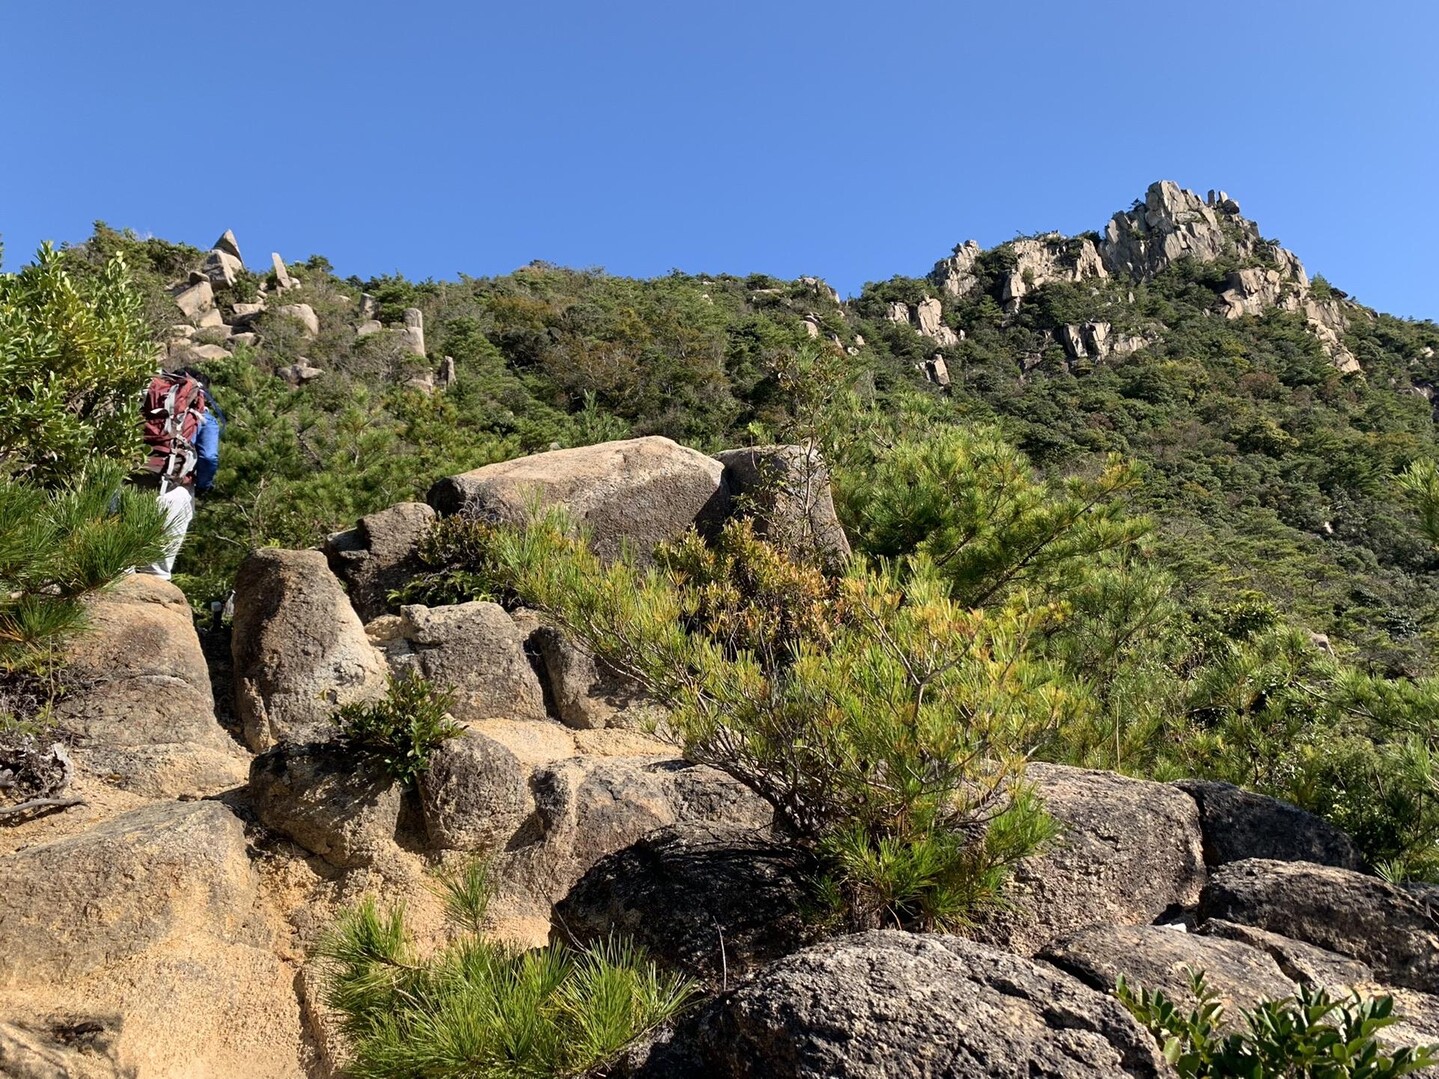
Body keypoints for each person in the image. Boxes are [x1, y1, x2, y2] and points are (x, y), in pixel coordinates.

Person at [139, 367, 222, 580]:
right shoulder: (203, 416)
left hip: (130, 481)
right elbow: (209, 457)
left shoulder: (145, 406)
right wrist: (203, 485)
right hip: (174, 488)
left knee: (116, 565)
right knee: (156, 572)